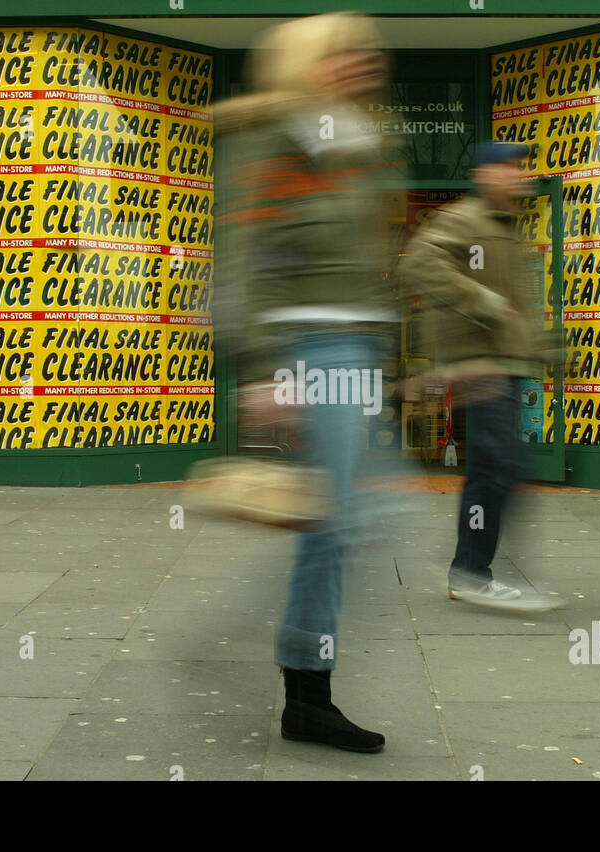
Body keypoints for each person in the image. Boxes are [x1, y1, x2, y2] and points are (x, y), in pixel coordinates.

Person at [211, 12, 401, 752]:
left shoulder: (358, 140)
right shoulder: (278, 138)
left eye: (367, 52)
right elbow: (248, 253)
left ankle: (298, 676)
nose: (363, 63)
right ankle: (303, 689)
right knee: (340, 521)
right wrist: (261, 369)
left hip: (352, 348)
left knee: (352, 520)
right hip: (311, 347)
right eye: (344, 53)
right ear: (307, 61)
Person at [400, 142, 563, 606]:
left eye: (520, 167)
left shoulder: (505, 228)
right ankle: (471, 570)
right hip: (479, 366)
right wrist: (482, 303)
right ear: (484, 173)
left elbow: (515, 309)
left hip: (506, 365)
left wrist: (541, 348)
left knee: (496, 472)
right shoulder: (465, 219)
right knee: (498, 470)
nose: (518, 175)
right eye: (508, 167)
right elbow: (420, 262)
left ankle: (470, 568)